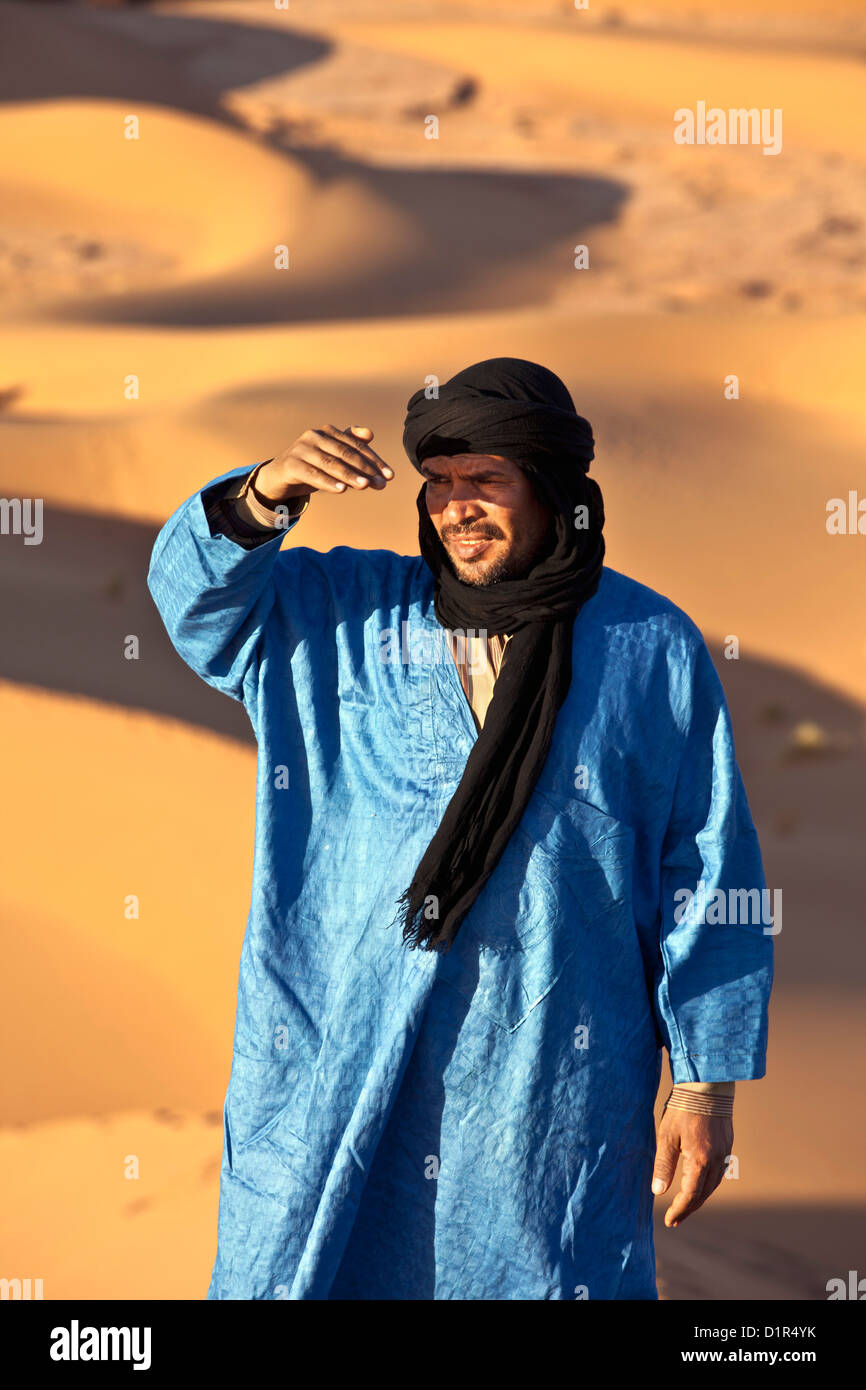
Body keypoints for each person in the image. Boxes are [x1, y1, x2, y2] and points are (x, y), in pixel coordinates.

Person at [147, 357, 772, 1300]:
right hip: (334, 1066)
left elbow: (710, 868)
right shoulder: (334, 614)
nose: (456, 508)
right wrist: (264, 492)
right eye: (438, 484)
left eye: (485, 482)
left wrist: (704, 1088)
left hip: (545, 1091)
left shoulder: (651, 648)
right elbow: (194, 607)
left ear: (554, 490)